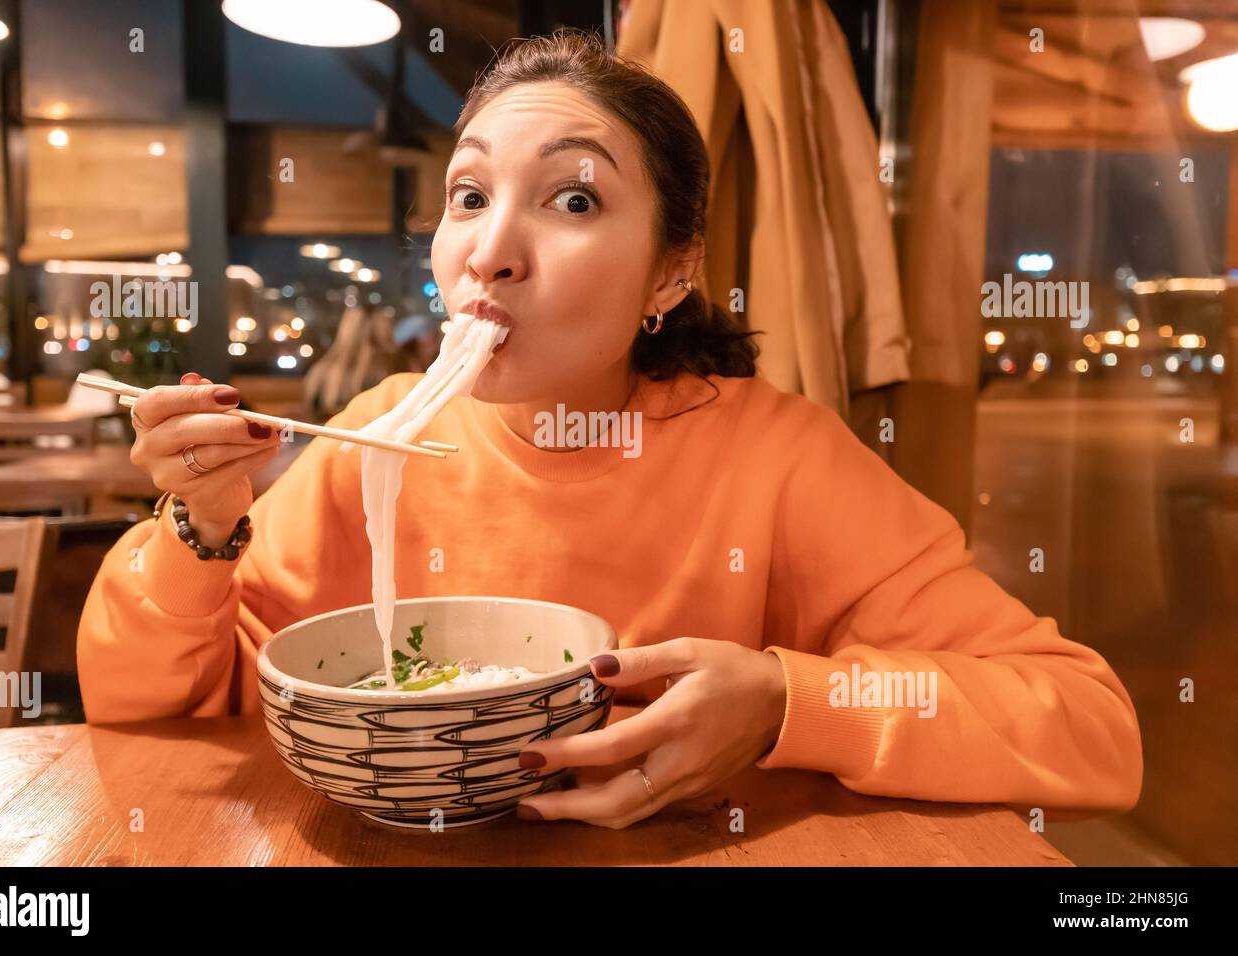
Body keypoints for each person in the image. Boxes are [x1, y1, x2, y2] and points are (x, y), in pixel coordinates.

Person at [77, 30, 1142, 830]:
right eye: (467, 194)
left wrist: (782, 701)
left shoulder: (775, 457)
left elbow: (1086, 725)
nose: (489, 250)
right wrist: (203, 525)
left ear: (672, 271)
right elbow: (156, 703)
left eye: (573, 200)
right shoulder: (371, 442)